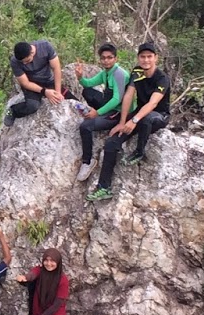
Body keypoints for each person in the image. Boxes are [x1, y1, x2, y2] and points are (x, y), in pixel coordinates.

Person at [87, 43, 172, 203]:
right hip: (138, 114)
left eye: (149, 56)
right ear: (138, 58)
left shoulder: (162, 78)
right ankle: (104, 187)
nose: (146, 60)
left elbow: (153, 104)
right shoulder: (137, 72)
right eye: (142, 56)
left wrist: (134, 120)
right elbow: (128, 96)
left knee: (147, 118)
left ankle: (140, 152)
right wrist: (122, 121)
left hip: (158, 116)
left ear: (156, 58)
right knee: (111, 143)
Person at [73, 43, 129, 184]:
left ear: (116, 59)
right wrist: (80, 77)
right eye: (103, 58)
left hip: (118, 111)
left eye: (110, 58)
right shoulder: (105, 73)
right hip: (107, 104)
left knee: (85, 126)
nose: (106, 61)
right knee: (87, 92)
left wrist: (97, 113)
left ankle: (88, 161)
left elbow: (117, 99)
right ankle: (99, 116)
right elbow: (88, 83)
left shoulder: (119, 74)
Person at [5, 40, 64, 124]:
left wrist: (58, 92)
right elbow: (25, 83)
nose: (24, 64)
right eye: (22, 62)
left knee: (66, 97)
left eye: (27, 61)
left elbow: (56, 68)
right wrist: (45, 92)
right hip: (31, 84)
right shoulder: (15, 61)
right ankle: (13, 110)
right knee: (32, 106)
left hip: (47, 80)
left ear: (32, 52)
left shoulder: (45, 46)